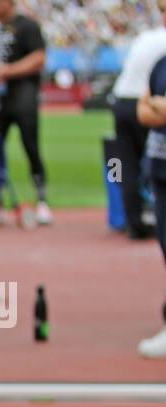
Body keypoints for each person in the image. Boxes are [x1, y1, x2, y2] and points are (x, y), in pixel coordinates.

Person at [0, 0, 50, 225]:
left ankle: (41, 200)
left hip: (23, 97)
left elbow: (39, 58)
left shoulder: (28, 26)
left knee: (30, 145)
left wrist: (8, 71)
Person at [110, 2, 166, 241]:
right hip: (139, 102)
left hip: (121, 99)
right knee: (146, 163)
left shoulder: (148, 36)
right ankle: (147, 216)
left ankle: (133, 222)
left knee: (126, 167)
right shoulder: (161, 43)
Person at [135, 53, 166, 359]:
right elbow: (143, 113)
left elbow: (152, 105)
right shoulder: (160, 63)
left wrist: (157, 104)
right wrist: (158, 106)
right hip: (159, 169)